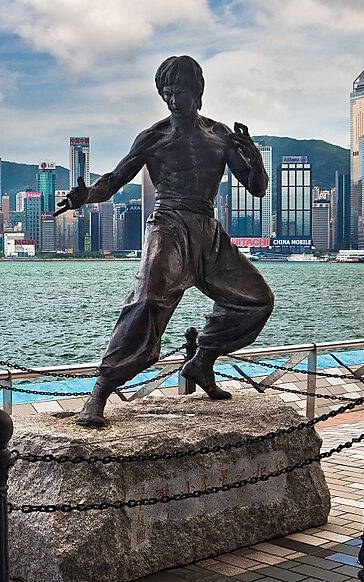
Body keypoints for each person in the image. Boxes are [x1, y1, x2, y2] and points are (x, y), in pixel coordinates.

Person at [56, 55, 274, 428]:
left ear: (198, 92)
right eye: (168, 92)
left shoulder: (221, 136)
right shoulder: (153, 138)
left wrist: (255, 158)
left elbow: (256, 188)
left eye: (181, 91)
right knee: (145, 306)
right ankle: (99, 393)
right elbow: (112, 182)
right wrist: (85, 196)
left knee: (257, 300)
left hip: (206, 229)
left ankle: (202, 362)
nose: (174, 99)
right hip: (168, 226)